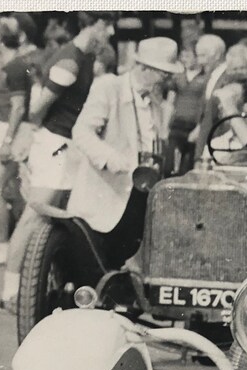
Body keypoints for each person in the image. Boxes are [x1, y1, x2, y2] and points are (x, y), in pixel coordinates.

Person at [0, 10, 116, 313]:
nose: (111, 33)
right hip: (55, 145)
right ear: (95, 25)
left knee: (58, 218)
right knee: (34, 216)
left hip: (67, 146)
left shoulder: (83, 58)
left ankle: (40, 285)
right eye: (108, 26)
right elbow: (37, 110)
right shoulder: (70, 62)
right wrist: (25, 140)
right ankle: (11, 291)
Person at [67, 37, 182, 265]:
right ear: (143, 67)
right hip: (104, 197)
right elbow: (82, 132)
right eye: (163, 73)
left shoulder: (157, 102)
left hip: (137, 201)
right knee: (91, 270)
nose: (166, 80)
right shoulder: (109, 87)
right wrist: (110, 158)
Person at [0, 15, 38, 267]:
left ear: (1, 39)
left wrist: (8, 141)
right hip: (2, 129)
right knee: (12, 189)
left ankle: (4, 243)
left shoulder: (14, 67)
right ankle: (24, 242)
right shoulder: (12, 65)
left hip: (7, 131)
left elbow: (17, 106)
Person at [164, 46, 207, 174]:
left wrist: (199, 127)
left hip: (194, 126)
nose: (184, 59)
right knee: (169, 166)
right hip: (177, 125)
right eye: (182, 56)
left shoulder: (205, 78)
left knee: (187, 168)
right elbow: (170, 102)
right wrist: (165, 126)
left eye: (188, 56)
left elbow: (206, 106)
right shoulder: (178, 76)